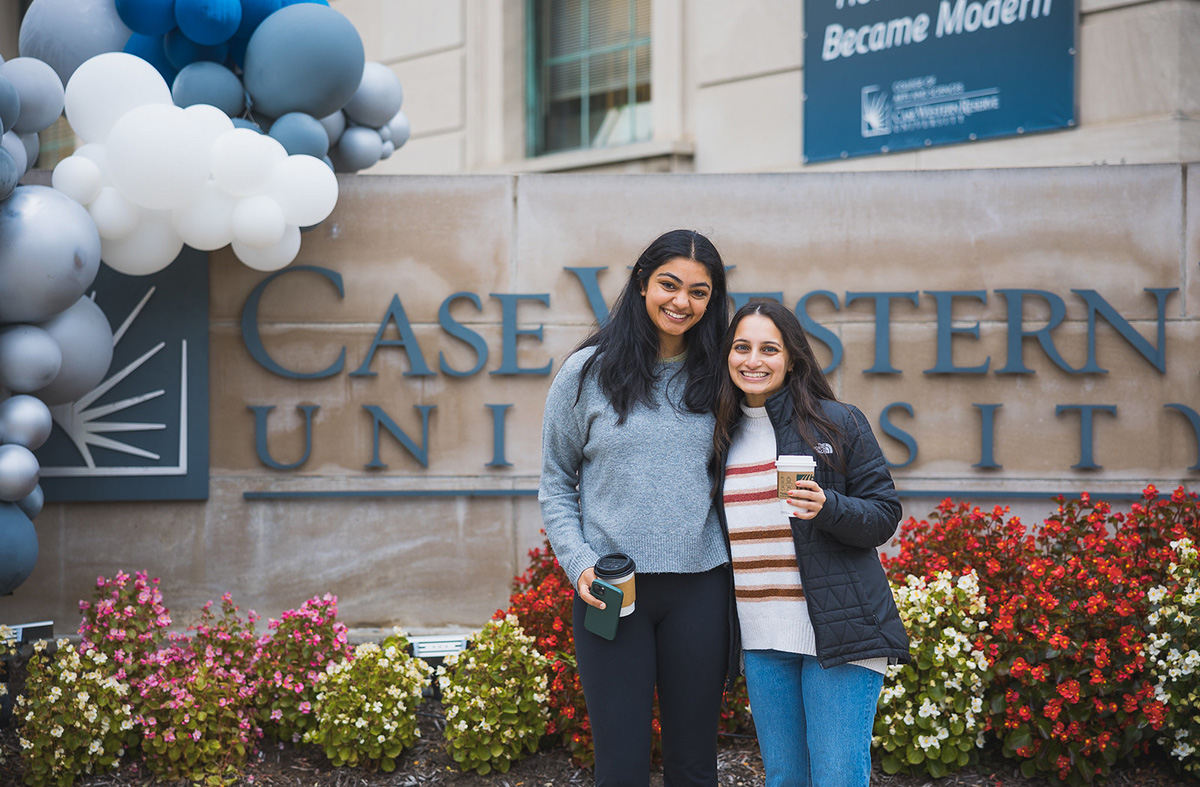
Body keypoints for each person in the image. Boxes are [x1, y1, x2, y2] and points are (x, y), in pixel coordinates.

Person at [539, 229, 732, 786]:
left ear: (712, 301)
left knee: (694, 766)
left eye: (699, 292)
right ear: (643, 283)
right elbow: (556, 483)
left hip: (700, 589)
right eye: (670, 285)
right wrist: (580, 565)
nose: (682, 302)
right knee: (621, 768)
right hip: (610, 593)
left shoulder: (721, 377)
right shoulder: (586, 374)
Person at [713, 300, 911, 787]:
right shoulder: (719, 435)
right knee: (784, 779)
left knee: (838, 779)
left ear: (792, 359)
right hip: (761, 640)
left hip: (840, 635)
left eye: (768, 349)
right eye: (742, 347)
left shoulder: (836, 422)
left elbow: (884, 514)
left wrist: (829, 507)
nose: (753, 360)